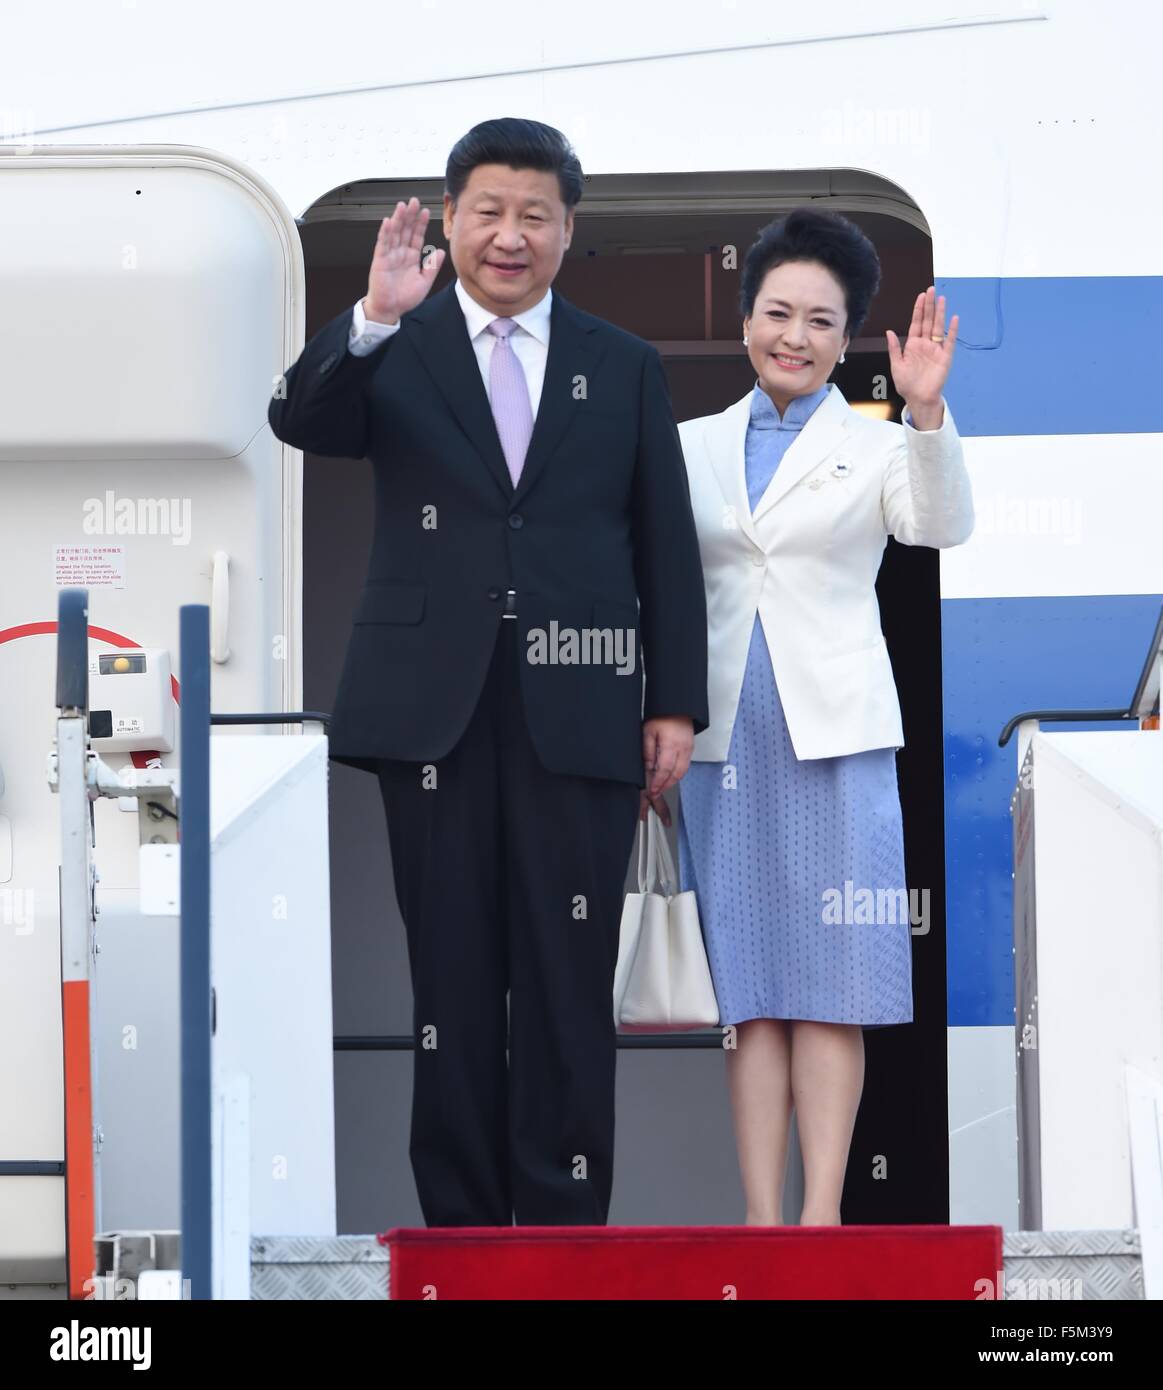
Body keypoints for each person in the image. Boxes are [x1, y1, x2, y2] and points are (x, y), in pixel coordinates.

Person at [268, 118, 708, 1226]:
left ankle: (562, 1232)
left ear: (569, 231)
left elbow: (663, 540)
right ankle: (460, 1233)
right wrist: (370, 316)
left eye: (535, 217)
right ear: (451, 220)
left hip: (583, 704)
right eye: (487, 213)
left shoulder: (621, 365)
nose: (509, 237)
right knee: (451, 980)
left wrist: (672, 703)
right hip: (434, 714)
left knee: (567, 981)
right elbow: (296, 417)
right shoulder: (396, 342)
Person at [672, 208, 974, 1225]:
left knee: (832, 978)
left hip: (834, 735)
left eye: (816, 320)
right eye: (774, 313)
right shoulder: (688, 445)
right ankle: (761, 1218)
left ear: (847, 338)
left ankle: (822, 1218)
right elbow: (659, 591)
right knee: (750, 990)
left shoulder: (876, 440)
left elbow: (937, 526)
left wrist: (925, 415)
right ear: (745, 318)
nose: (790, 337)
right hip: (720, 738)